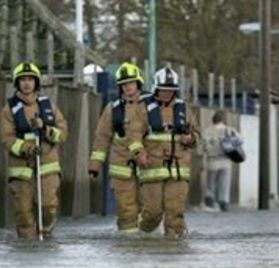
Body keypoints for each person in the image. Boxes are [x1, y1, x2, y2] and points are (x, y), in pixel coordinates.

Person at [0, 61, 68, 239]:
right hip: (21, 170)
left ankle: (46, 235)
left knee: (48, 206)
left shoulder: (48, 106)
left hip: (47, 166)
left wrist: (45, 129)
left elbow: (62, 134)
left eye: (30, 79)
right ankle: (28, 245)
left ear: (36, 82)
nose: (27, 83)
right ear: (17, 83)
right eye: (23, 80)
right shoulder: (9, 110)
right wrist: (27, 148)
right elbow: (7, 139)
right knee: (23, 212)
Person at [137, 67, 199, 238]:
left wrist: (190, 138)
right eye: (163, 89)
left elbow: (197, 135)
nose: (167, 93)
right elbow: (133, 135)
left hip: (178, 171)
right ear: (156, 88)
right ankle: (142, 236)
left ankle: (174, 245)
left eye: (170, 90)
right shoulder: (143, 109)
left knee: (175, 213)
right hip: (152, 169)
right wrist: (139, 153)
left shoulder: (183, 109)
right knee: (153, 213)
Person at [89, 62, 150, 234]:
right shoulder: (112, 109)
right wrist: (94, 166)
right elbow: (102, 138)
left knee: (149, 209)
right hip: (121, 169)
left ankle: (148, 243)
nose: (127, 87)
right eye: (124, 84)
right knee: (126, 212)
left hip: (147, 166)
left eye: (131, 82)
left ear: (138, 83)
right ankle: (127, 244)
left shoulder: (150, 105)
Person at [202, 110, 239, 212]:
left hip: (212, 161)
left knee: (211, 183)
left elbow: (203, 146)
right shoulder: (229, 129)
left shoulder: (208, 131)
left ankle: (210, 201)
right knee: (224, 184)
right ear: (223, 120)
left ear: (213, 120)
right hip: (225, 161)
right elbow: (240, 140)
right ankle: (223, 202)